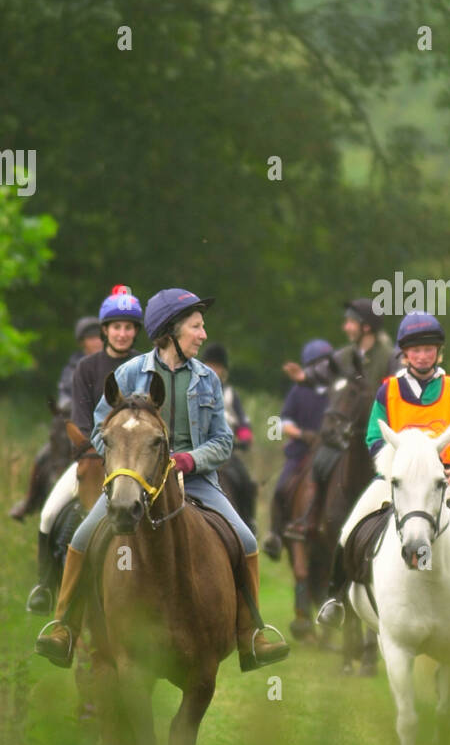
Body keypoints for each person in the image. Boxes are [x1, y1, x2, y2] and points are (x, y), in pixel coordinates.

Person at [35, 288, 288, 672]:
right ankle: (63, 627)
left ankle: (252, 633)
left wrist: (190, 458)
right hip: (134, 478)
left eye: (202, 327)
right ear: (171, 331)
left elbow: (223, 441)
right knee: (83, 535)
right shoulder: (128, 374)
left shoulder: (208, 380)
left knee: (246, 538)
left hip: (196, 479)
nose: (203, 335)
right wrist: (125, 464)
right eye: (196, 327)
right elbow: (102, 432)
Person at [316, 311, 450, 628]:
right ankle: (335, 598)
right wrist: (394, 470)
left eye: (429, 349)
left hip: (443, 480)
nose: (423, 356)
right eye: (416, 350)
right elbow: (373, 436)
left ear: (438, 352)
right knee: (350, 529)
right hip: (396, 480)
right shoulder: (389, 390)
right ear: (405, 354)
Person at [26, 286, 143, 613]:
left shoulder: (146, 366)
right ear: (105, 330)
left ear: (136, 331)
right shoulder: (86, 369)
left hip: (136, 461)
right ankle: (45, 587)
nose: (122, 333)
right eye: (116, 327)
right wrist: (106, 447)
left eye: (129, 327)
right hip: (95, 456)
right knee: (49, 513)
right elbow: (80, 419)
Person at [8, 315, 102, 522]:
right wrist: (72, 406)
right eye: (91, 338)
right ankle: (29, 501)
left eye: (99, 337)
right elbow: (65, 394)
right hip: (76, 422)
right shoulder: (72, 367)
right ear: (82, 342)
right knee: (42, 456)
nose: (96, 341)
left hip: (102, 425)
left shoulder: (108, 363)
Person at [263, 339, 334, 558]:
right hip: (302, 451)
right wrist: (303, 435)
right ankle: (274, 534)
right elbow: (285, 423)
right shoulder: (298, 390)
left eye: (326, 362)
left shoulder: (337, 388)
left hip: (332, 450)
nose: (322, 367)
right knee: (281, 488)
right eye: (317, 363)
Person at [284, 298, 398, 396]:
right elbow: (326, 370)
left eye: (351, 322)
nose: (345, 327)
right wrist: (304, 376)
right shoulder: (345, 355)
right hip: (350, 421)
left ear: (366, 327)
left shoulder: (390, 358)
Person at [202, 343, 257, 532]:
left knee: (245, 480)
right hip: (201, 449)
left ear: (223, 370)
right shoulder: (195, 390)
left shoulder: (230, 394)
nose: (213, 370)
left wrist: (245, 437)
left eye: (217, 366)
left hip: (226, 452)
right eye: (209, 365)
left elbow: (242, 421)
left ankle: (249, 520)